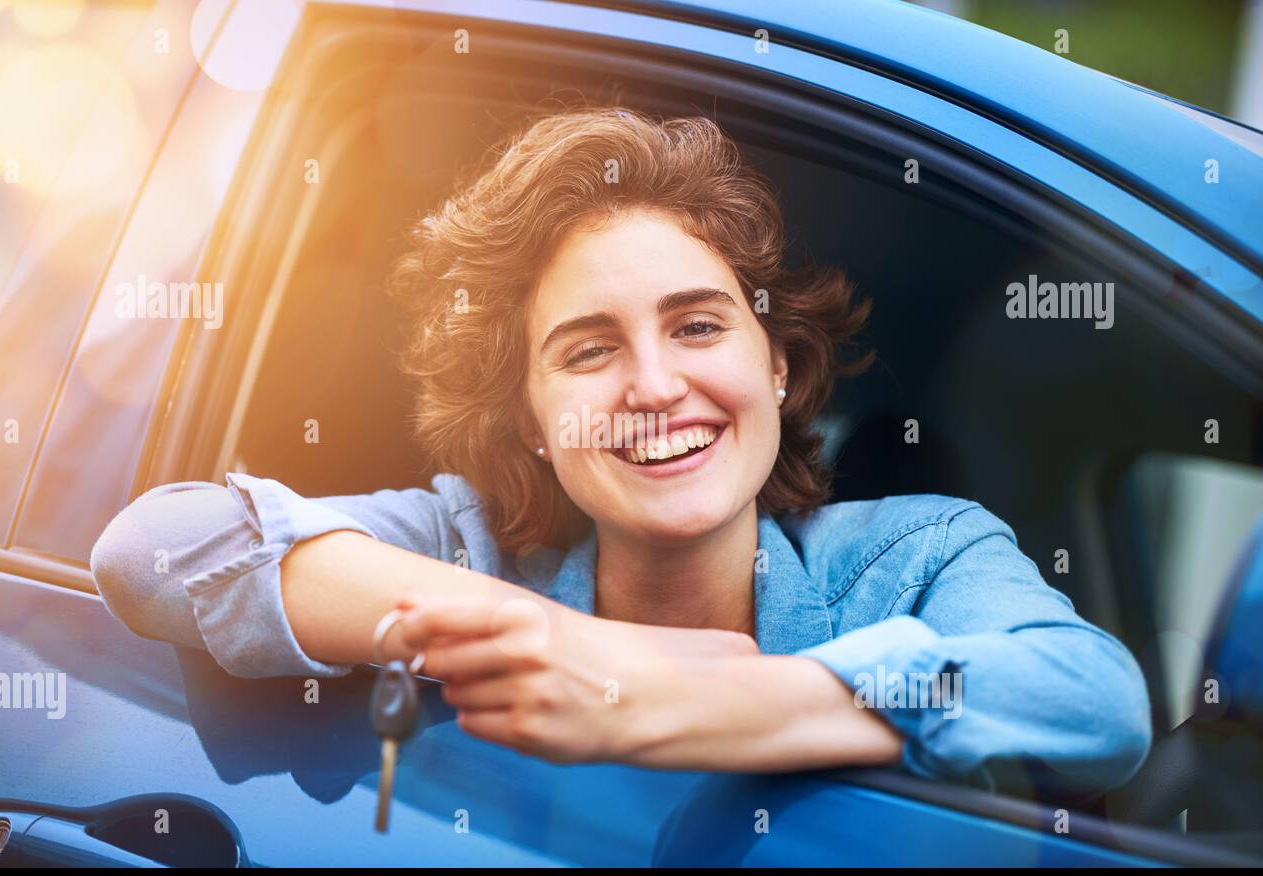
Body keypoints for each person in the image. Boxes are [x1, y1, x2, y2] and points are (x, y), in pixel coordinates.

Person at [90, 106, 1152, 800]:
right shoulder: (470, 544)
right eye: (590, 350)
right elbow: (155, 551)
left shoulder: (913, 555)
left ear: (777, 367)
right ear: (530, 421)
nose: (652, 385)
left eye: (697, 327)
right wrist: (549, 636)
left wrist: (682, 697)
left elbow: (1090, 699)